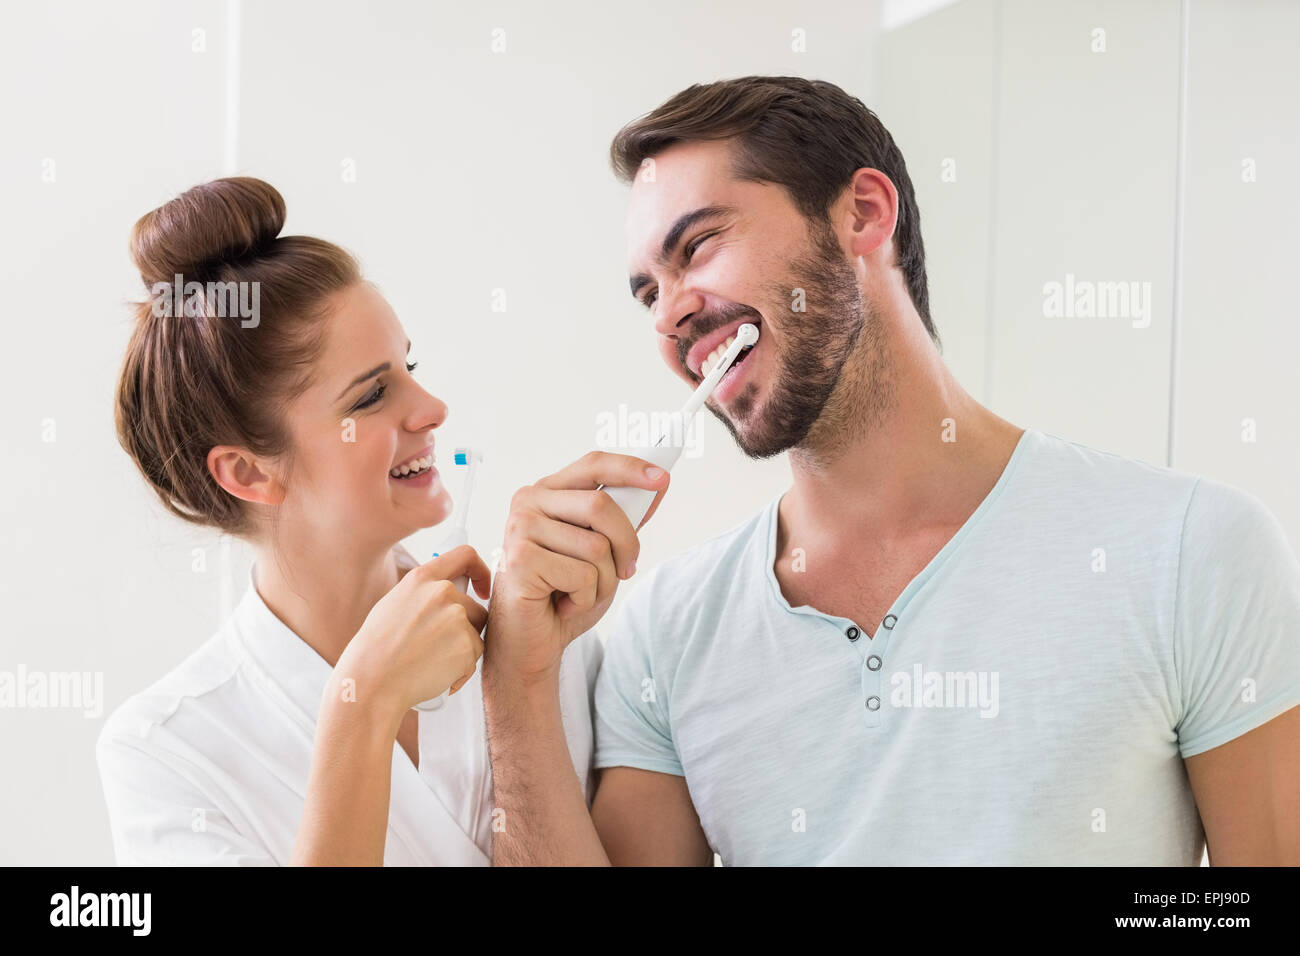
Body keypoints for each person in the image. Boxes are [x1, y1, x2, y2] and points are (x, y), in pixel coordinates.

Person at [480, 76, 1300, 865]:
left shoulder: (1192, 550)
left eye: (696, 247)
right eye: (646, 294)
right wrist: (517, 679)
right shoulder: (666, 628)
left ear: (863, 214)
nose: (671, 315)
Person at [97, 176, 667, 865]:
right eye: (371, 395)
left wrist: (521, 681)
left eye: (410, 365)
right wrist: (359, 709)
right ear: (249, 472)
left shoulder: (547, 638)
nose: (431, 407)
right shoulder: (168, 752)